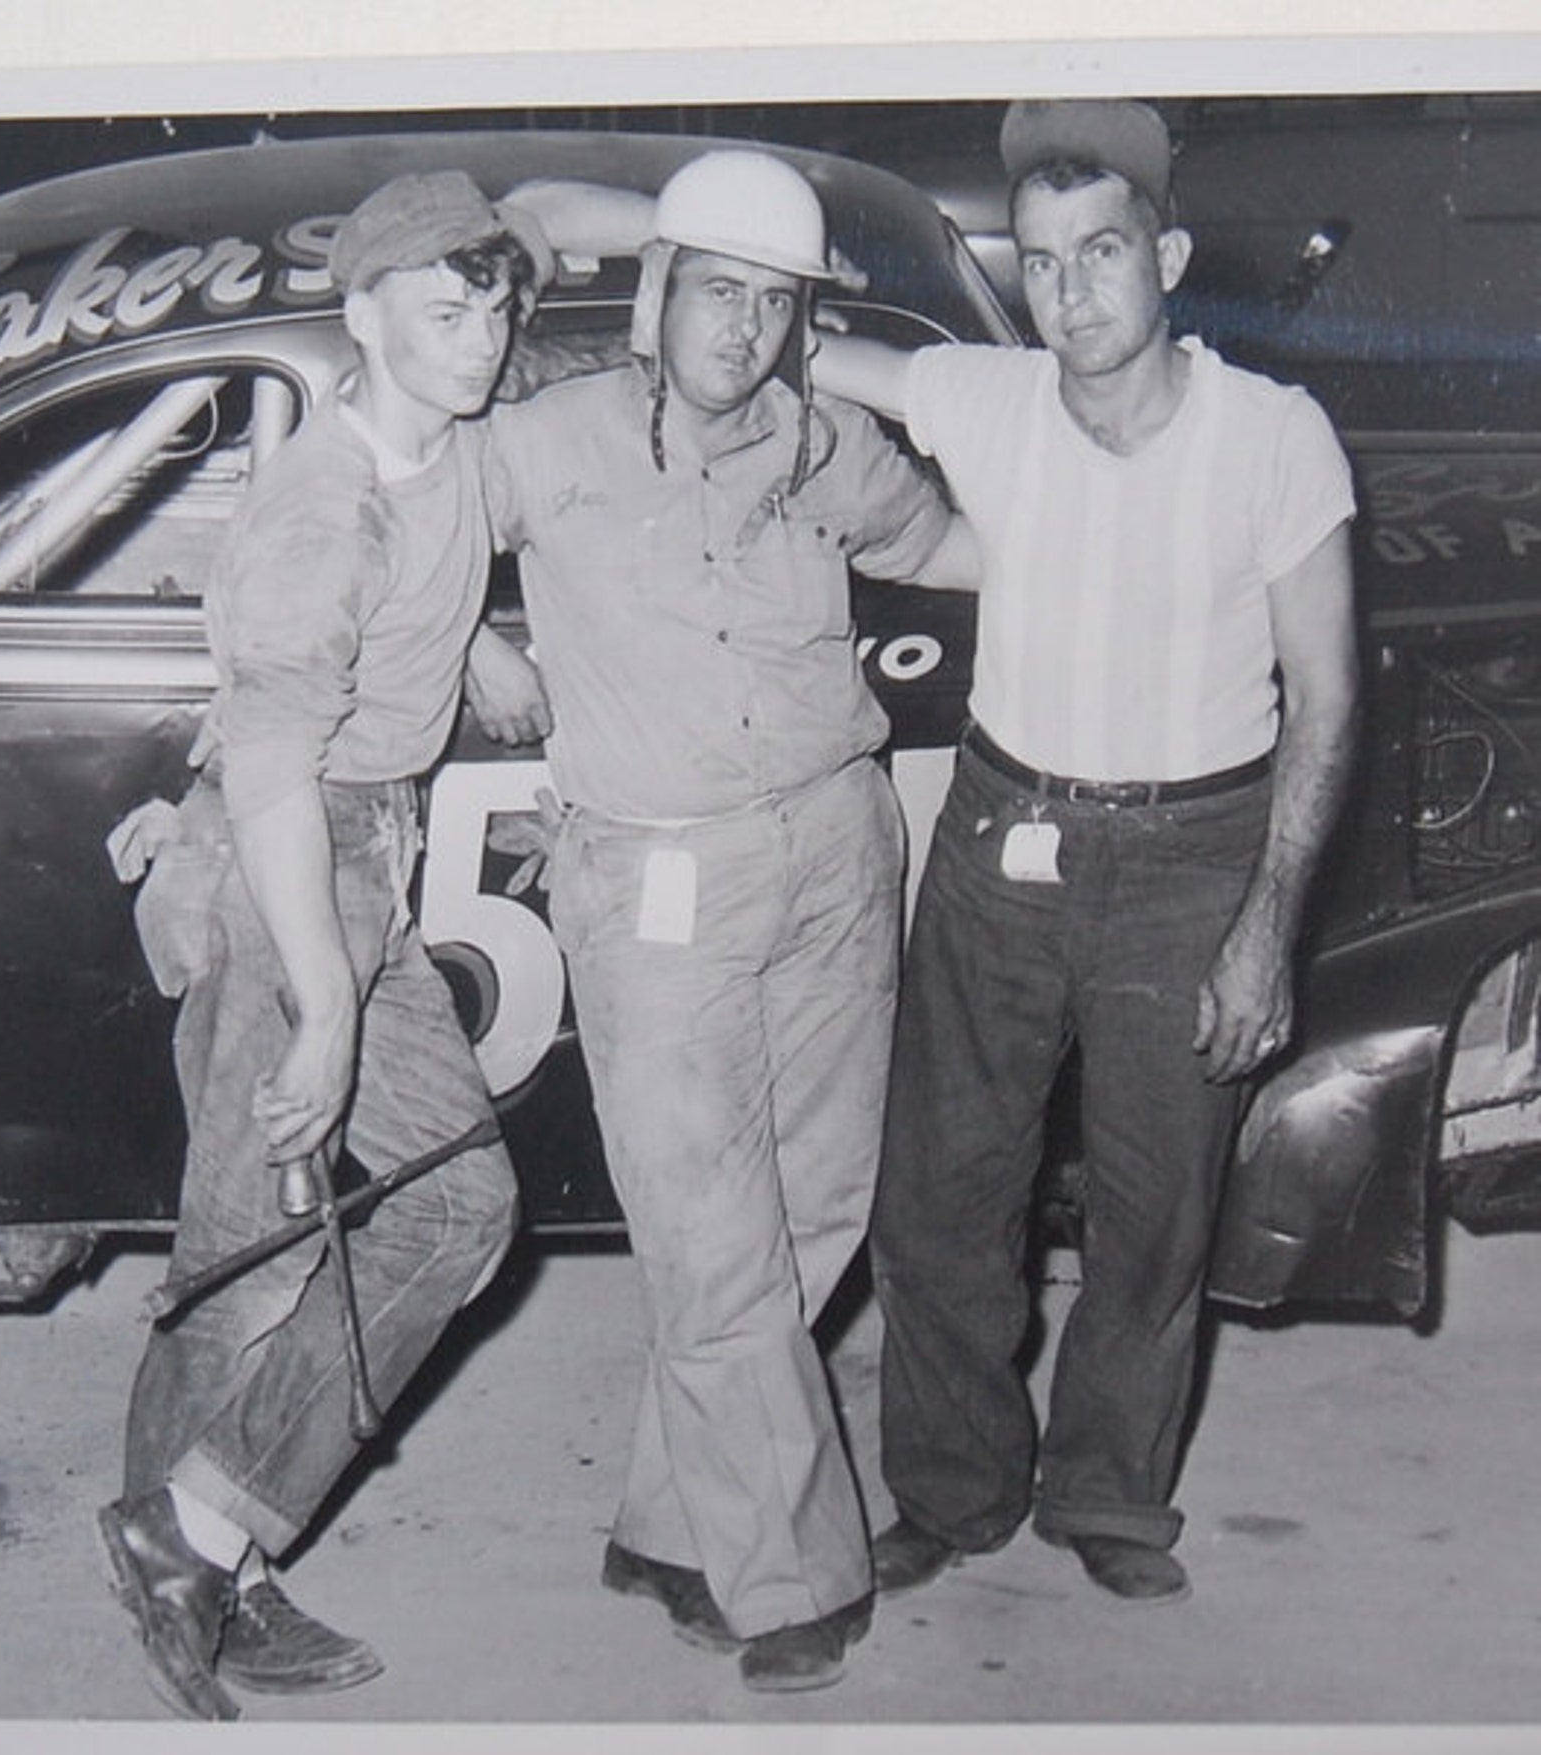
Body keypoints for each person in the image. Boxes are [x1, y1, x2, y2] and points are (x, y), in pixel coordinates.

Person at [814, 99, 1359, 1606]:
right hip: (1004, 832)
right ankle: (951, 1487)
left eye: (1101, 252)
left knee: (1155, 1205)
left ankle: (1108, 1495)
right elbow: (788, 341)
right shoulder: (982, 397)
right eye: (1040, 261)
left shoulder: (1274, 437)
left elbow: (1327, 702)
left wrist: (1265, 927)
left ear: (1166, 256)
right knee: (939, 1197)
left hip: (1196, 851)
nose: (1070, 292)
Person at [469, 150, 974, 1692]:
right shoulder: (541, 443)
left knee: (816, 1203)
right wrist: (471, 637)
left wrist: (1142, 581)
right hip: (658, 877)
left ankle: (669, 1523)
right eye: (716, 291)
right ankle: (790, 1575)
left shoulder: (828, 447)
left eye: (775, 302)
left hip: (837, 845)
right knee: (711, 1239)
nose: (744, 330)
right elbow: (499, 241)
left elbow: (951, 550)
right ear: (656, 299)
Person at [98, 170, 553, 1720]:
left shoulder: (444, 439)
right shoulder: (320, 514)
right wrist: (327, 1012)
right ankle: (195, 1559)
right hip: (293, 867)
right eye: (446, 310)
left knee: (455, 1208)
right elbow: (282, 776)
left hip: (359, 846)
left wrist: (468, 632)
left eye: (496, 305)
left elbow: (539, 226)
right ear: (361, 318)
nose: (483, 337)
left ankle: (201, 1531)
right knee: (252, 1257)